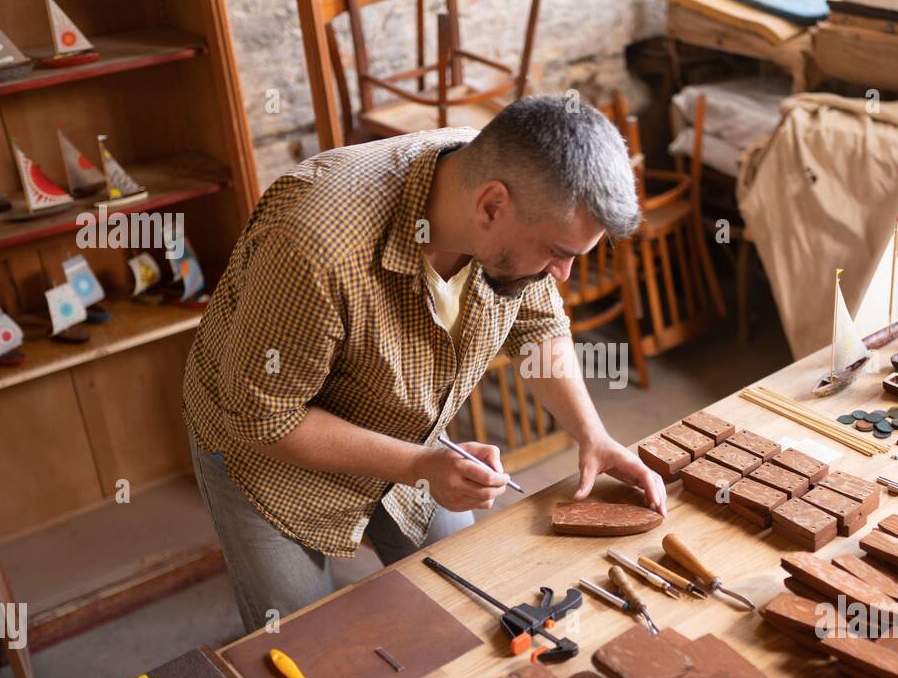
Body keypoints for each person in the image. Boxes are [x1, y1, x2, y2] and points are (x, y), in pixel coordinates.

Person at [181, 96, 666, 633]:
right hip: (268, 452)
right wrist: (420, 466)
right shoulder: (315, 245)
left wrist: (591, 436)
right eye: (556, 251)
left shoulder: (496, 190)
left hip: (408, 427)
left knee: (467, 599)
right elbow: (264, 419)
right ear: (490, 207)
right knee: (298, 642)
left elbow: (537, 326)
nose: (564, 274)